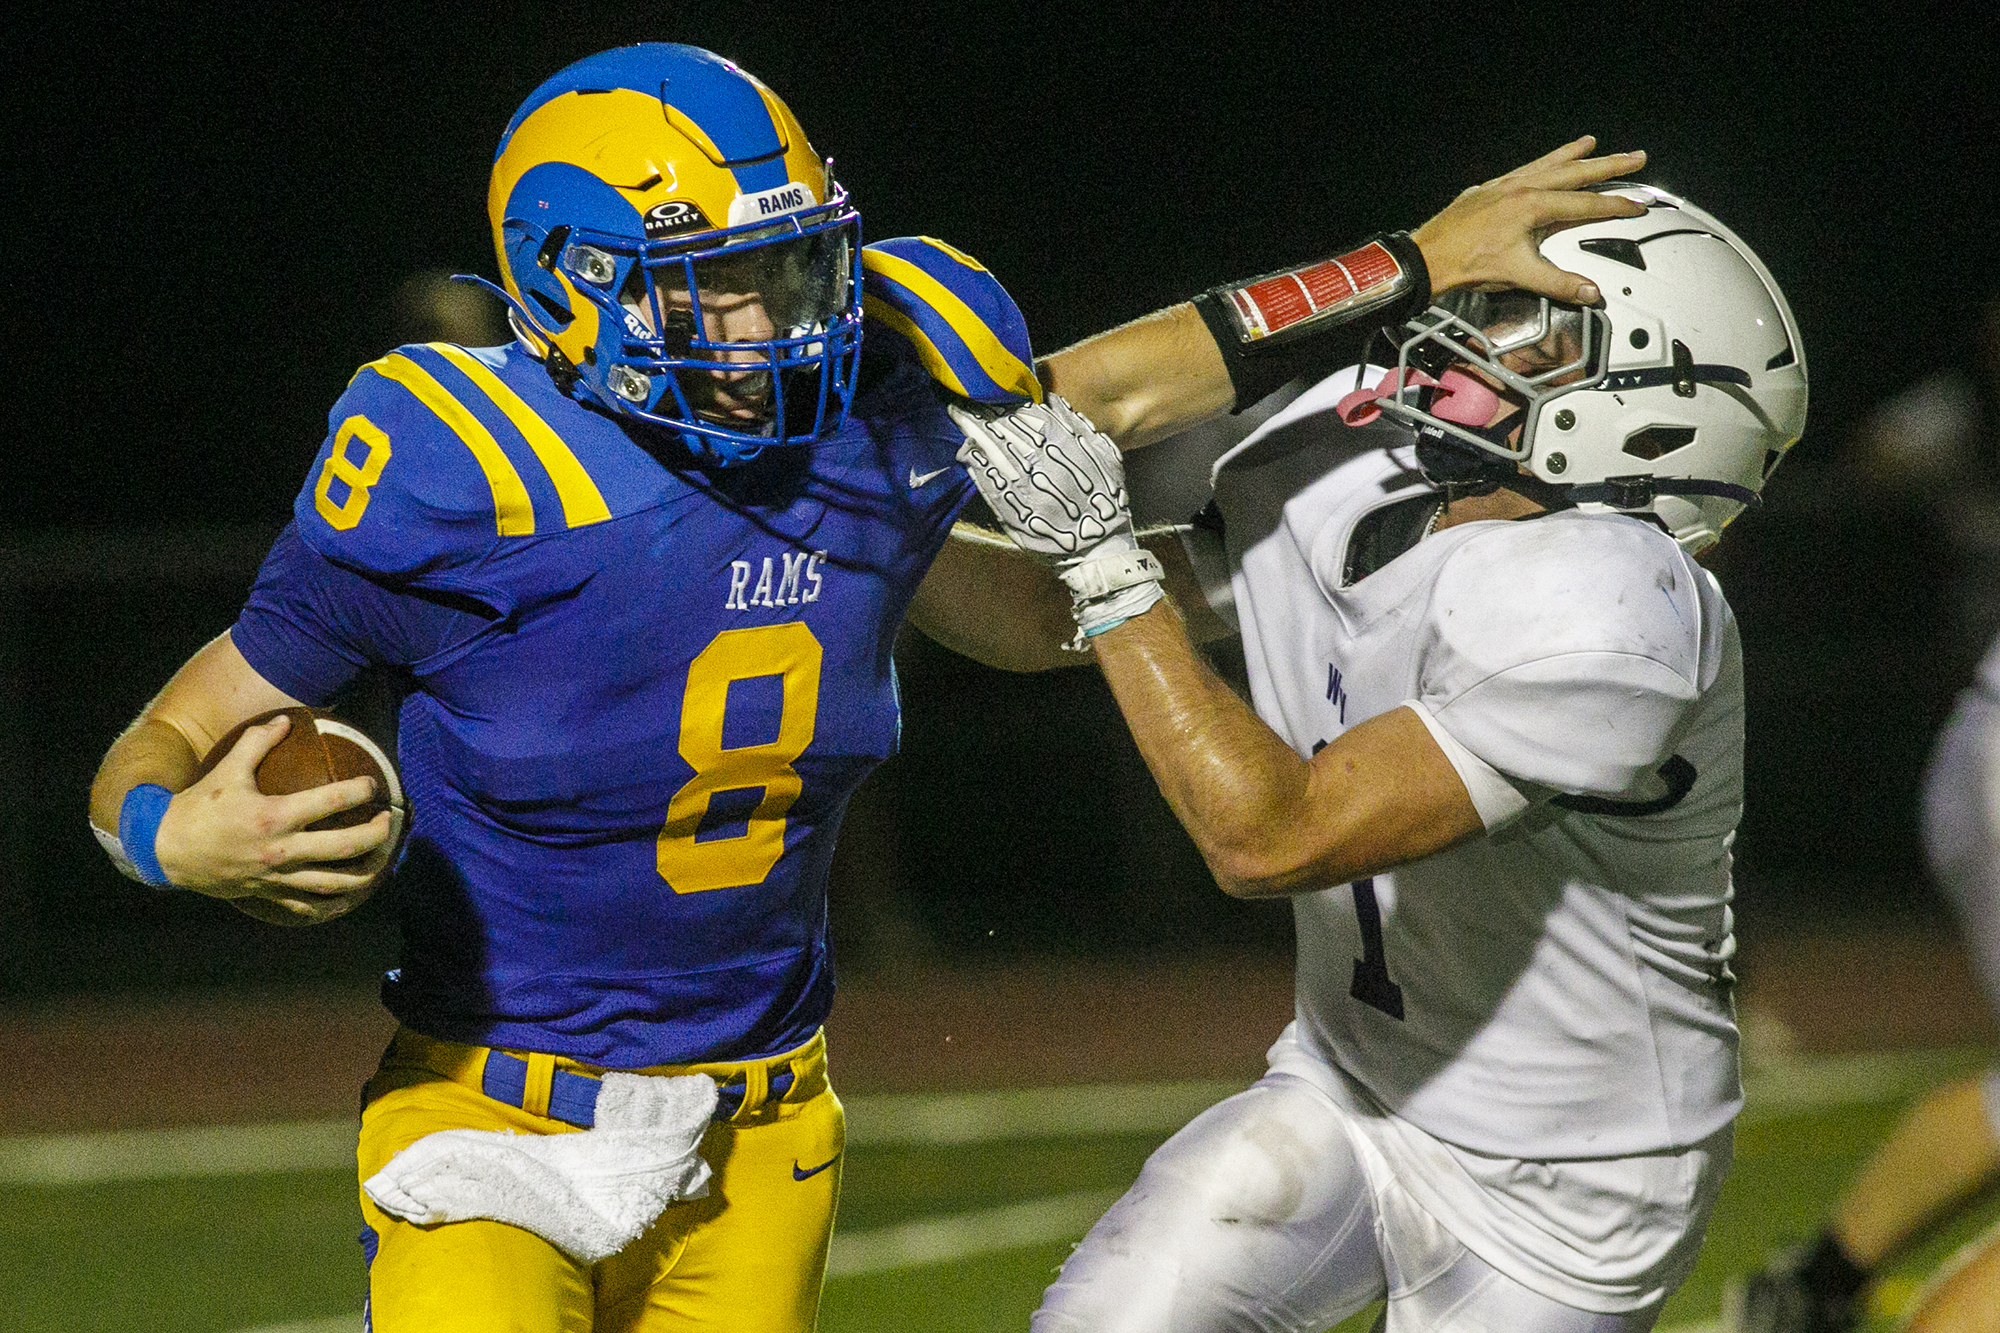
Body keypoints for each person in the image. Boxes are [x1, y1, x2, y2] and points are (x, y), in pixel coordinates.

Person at [86, 38, 1644, 1333]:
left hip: (762, 1132)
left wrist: (1410, 273)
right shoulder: (453, 473)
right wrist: (171, 835)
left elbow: (1111, 395)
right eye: (720, 283)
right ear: (569, 285)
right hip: (488, 1118)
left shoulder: (857, 431)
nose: (779, 319)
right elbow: (161, 736)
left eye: (790, 266)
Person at [949, 184, 1807, 1331]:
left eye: (1535, 329)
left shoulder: (1619, 608)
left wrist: (1103, 562)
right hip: (1348, 1086)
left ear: (1653, 411)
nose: (1468, 335)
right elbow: (1030, 602)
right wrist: (831, 528)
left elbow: (1268, 837)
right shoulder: (1357, 462)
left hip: (1568, 1189)